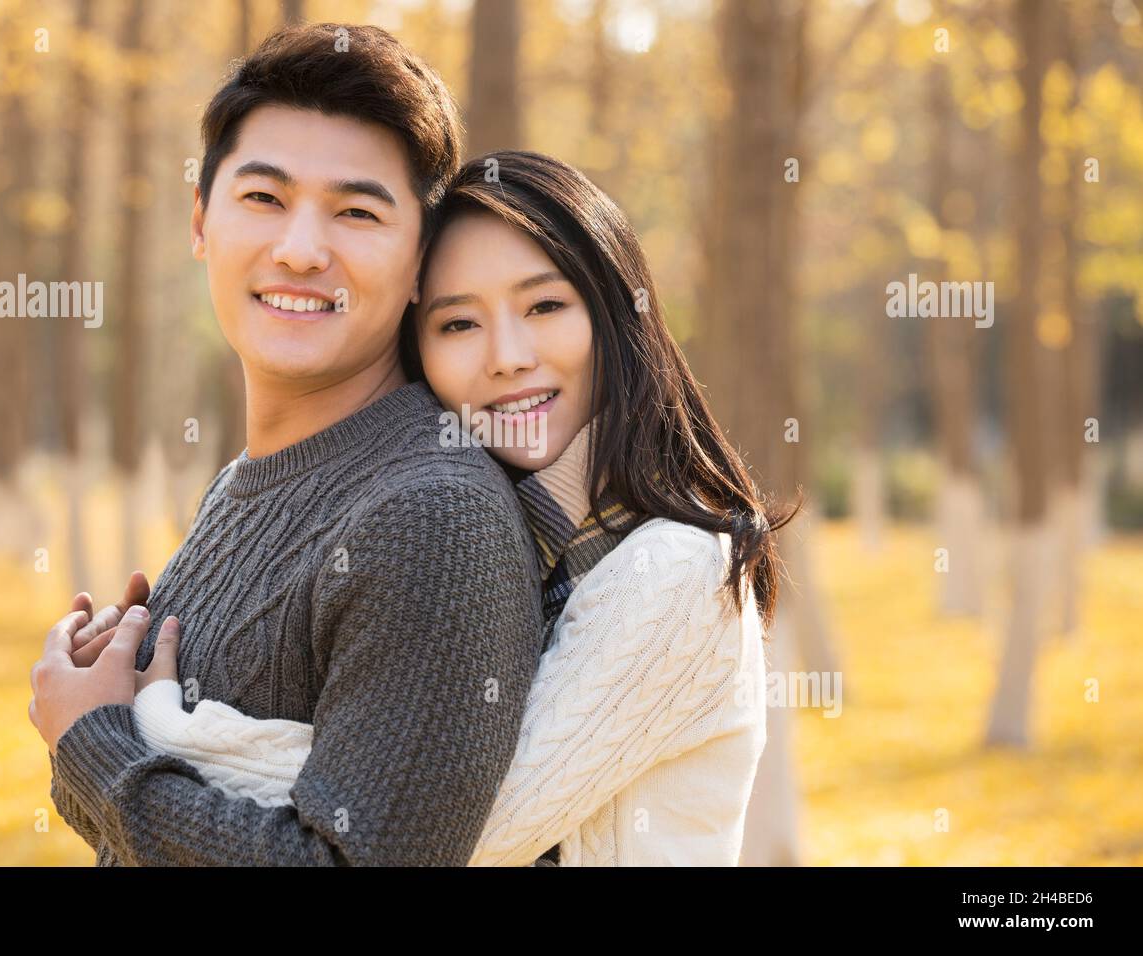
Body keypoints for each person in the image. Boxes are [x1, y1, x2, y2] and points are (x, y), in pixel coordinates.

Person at [88, 150, 794, 866]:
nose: (509, 357)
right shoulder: (511, 532)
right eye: (459, 325)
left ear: (615, 315)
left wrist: (149, 728)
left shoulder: (673, 569)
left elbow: (440, 829)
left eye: (545, 306)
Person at [28, 23, 546, 866]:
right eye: (263, 199)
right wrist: (113, 702)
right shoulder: (243, 483)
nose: (301, 251)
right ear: (200, 221)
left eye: (356, 211)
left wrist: (91, 745)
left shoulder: (433, 515)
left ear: (423, 259)